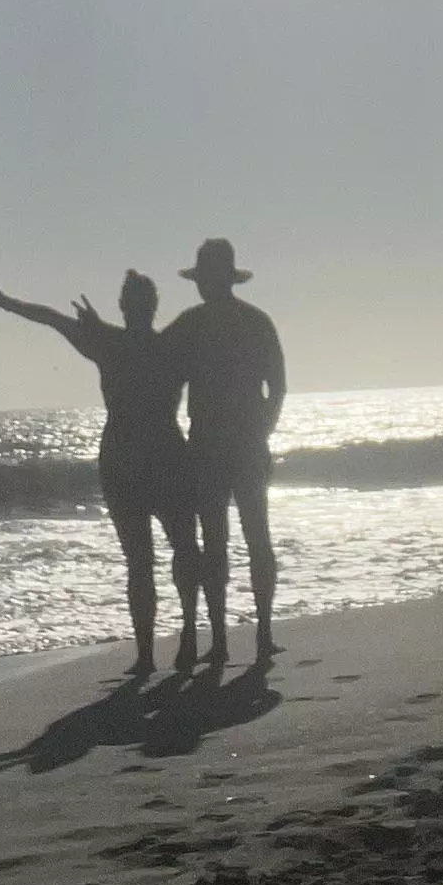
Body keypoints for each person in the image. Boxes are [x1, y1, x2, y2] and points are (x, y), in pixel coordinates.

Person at [0, 271, 201, 678]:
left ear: (123, 306)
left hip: (124, 457)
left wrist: (6, 302)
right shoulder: (169, 348)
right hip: (166, 454)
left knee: (140, 561)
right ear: (153, 307)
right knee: (182, 548)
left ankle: (147, 654)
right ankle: (187, 635)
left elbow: (52, 319)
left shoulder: (108, 343)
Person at [162, 237, 286, 668]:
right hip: (243, 441)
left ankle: (225, 638)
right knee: (253, 536)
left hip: (210, 443)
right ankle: (260, 633)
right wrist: (264, 426)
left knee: (219, 540)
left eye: (202, 278)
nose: (200, 285)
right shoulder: (255, 321)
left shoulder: (190, 325)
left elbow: (162, 375)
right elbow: (278, 387)